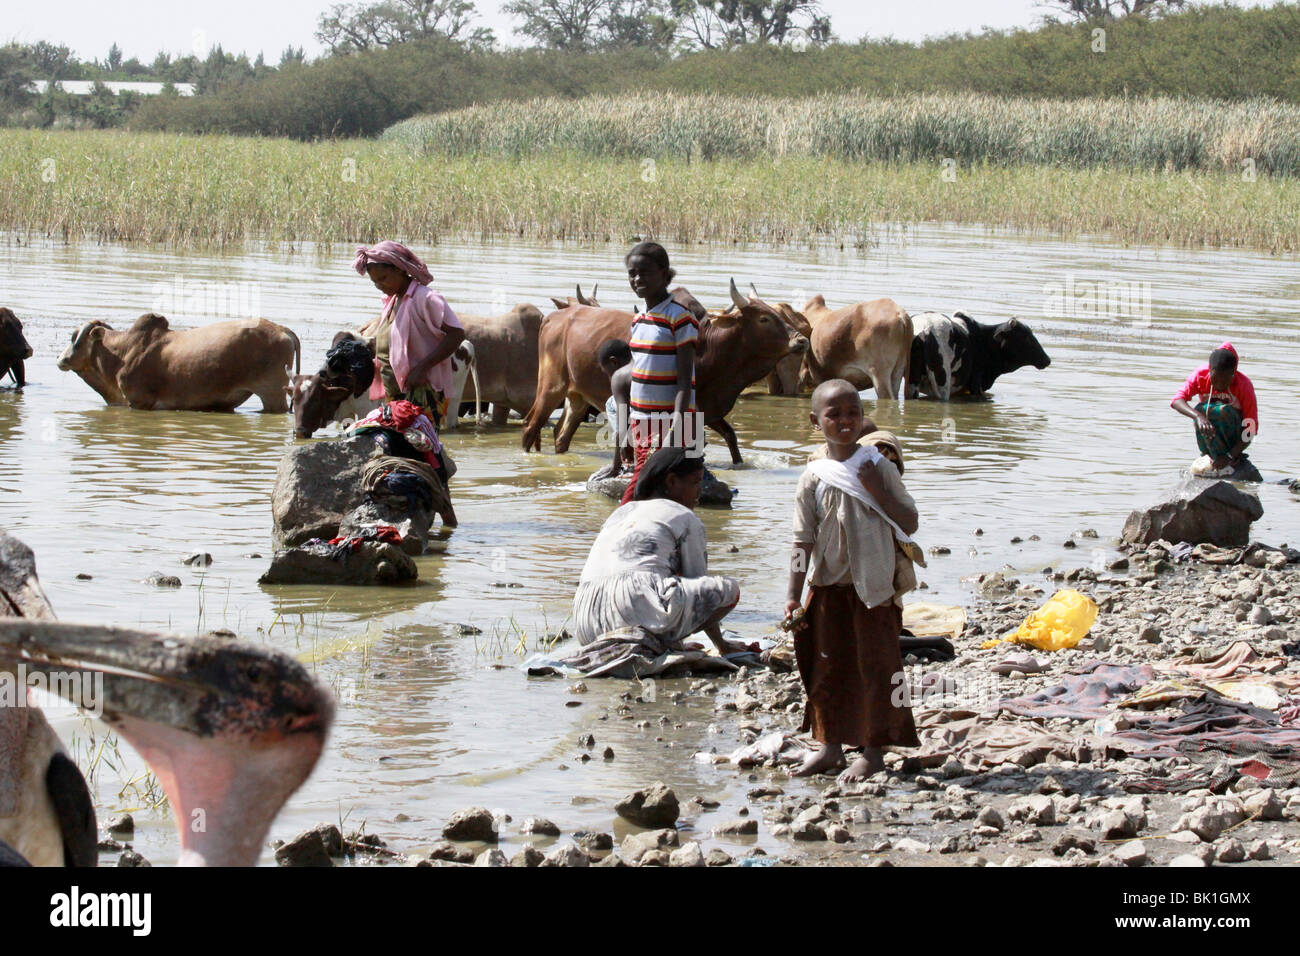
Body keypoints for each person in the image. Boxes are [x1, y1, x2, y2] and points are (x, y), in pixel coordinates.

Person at [785, 379, 921, 782]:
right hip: (827, 586)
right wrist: (793, 595)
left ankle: (874, 750)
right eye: (834, 414)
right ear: (816, 421)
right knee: (825, 666)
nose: (845, 421)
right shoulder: (813, 476)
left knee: (878, 666)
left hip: (874, 588)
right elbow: (801, 539)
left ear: (862, 418)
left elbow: (910, 522)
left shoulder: (876, 465)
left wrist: (878, 491)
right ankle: (830, 747)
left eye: (852, 413)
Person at [573, 447, 741, 654]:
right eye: (695, 482)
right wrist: (721, 646)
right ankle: (662, 641)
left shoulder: (621, 513)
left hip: (586, 621)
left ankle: (659, 639)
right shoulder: (684, 517)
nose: (700, 491)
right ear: (671, 481)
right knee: (727, 590)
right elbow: (698, 583)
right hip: (632, 610)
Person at [353, 241, 466, 432]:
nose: (380, 285)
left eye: (384, 278)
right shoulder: (393, 300)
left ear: (400, 269)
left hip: (422, 389)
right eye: (375, 282)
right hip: (395, 392)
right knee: (398, 444)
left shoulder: (425, 298)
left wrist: (422, 368)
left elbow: (456, 334)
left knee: (421, 444)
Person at [619, 242, 700, 506]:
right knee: (660, 491)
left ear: (665, 275)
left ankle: (618, 537)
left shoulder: (680, 318)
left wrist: (678, 421)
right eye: (632, 273)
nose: (637, 279)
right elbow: (640, 377)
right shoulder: (639, 318)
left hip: (677, 419)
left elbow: (685, 378)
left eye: (645, 272)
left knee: (649, 491)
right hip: (644, 420)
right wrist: (626, 431)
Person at [1170, 342, 1260, 481]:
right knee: (1200, 409)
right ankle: (1209, 455)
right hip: (1210, 432)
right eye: (1215, 379)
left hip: (1234, 439)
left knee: (1221, 411)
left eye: (1224, 381)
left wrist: (1231, 455)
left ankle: (1229, 460)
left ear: (1233, 374)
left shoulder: (1244, 385)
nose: (1218, 385)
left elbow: (1251, 429)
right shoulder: (1200, 375)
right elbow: (1177, 401)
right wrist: (1199, 417)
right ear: (1210, 370)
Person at [598, 338, 635, 476]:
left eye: (608, 373)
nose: (609, 378)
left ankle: (625, 460)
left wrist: (615, 467)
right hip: (686, 434)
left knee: (611, 403)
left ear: (614, 362)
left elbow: (622, 427)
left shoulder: (621, 377)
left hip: (647, 432)